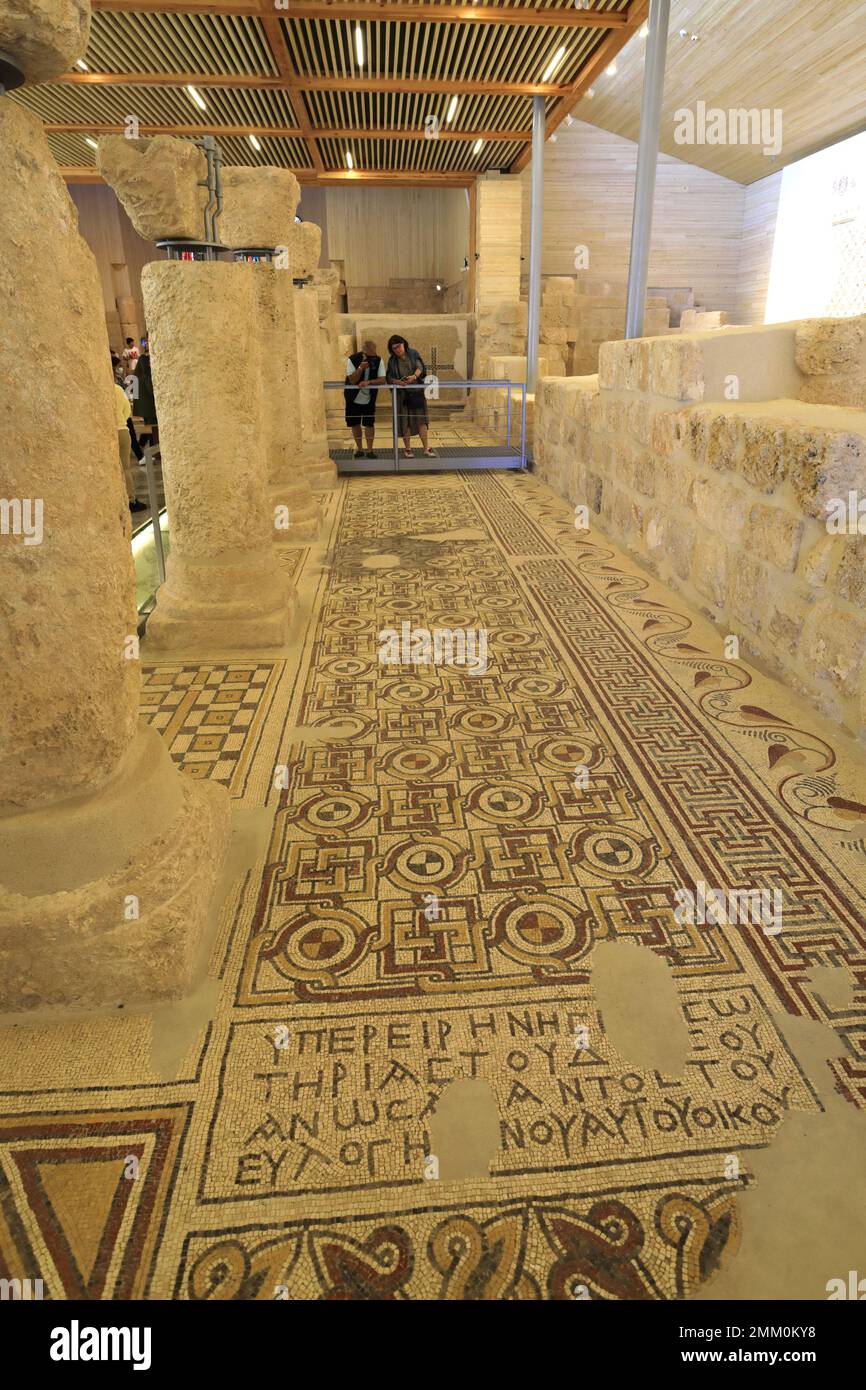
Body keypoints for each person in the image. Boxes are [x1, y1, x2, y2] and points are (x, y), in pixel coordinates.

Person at [385, 334, 435, 458]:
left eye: (399, 346)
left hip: (417, 392)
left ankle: (426, 448)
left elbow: (420, 367)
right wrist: (399, 382)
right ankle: (408, 449)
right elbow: (389, 378)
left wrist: (414, 376)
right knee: (405, 422)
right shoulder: (392, 361)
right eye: (394, 348)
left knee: (421, 421)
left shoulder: (412, 353)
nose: (398, 349)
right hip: (402, 396)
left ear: (404, 344)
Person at [344, 338, 386, 458]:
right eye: (369, 356)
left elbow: (382, 379)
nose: (372, 358)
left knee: (369, 423)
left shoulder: (378, 360)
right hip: (353, 398)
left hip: (369, 398)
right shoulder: (352, 359)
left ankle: (370, 450)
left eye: (374, 355)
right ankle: (360, 449)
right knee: (355, 423)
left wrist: (369, 382)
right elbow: (352, 380)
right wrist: (360, 368)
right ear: (363, 353)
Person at [114, 373, 146, 513]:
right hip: (122, 431)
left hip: (108, 433)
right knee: (125, 468)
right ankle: (130, 499)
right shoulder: (118, 389)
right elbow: (127, 412)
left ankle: (123, 500)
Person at [133, 349, 158, 448]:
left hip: (143, 409)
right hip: (150, 408)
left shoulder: (136, 375)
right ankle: (154, 452)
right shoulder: (146, 374)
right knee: (153, 430)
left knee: (150, 429)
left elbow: (134, 392)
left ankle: (141, 446)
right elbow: (151, 389)